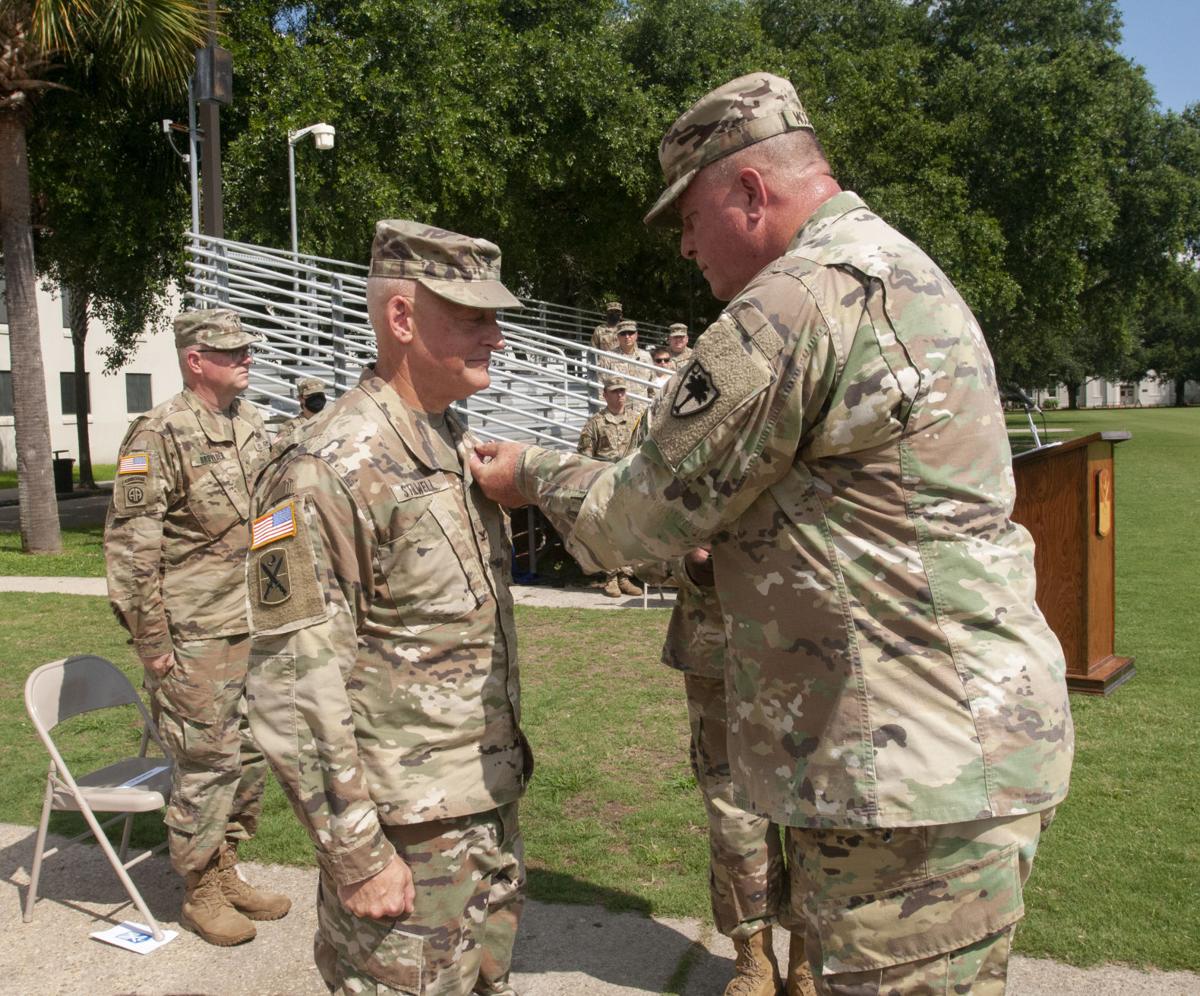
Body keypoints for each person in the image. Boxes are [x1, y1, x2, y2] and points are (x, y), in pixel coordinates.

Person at [471, 72, 1073, 995]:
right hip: (957, 753)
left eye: (689, 217)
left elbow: (639, 515)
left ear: (751, 192)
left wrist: (530, 475)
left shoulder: (796, 301)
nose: (685, 245)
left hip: (903, 781)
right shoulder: (895, 267)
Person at [245, 220, 532, 995]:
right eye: (473, 316)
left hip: (481, 813)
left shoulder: (449, 442)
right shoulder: (322, 468)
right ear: (402, 318)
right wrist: (357, 854)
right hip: (403, 841)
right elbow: (291, 681)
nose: (496, 336)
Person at [104, 308, 290, 946]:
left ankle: (225, 866)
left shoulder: (251, 422)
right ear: (195, 360)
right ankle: (199, 888)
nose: (246, 359)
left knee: (248, 756)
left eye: (246, 350)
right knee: (205, 762)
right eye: (232, 352)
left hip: (252, 623)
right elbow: (133, 550)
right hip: (194, 633)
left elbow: (272, 520)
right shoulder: (158, 433)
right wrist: (152, 642)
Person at [666, 548, 814, 996]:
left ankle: (810, 961)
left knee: (818, 807)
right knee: (732, 812)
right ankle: (754, 962)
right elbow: (639, 535)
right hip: (717, 651)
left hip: (815, 653)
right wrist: (687, 564)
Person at [577, 375, 642, 598]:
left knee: (629, 530)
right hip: (605, 483)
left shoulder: (636, 421)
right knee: (607, 531)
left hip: (629, 482)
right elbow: (584, 457)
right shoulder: (595, 423)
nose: (620, 395)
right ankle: (611, 577)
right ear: (605, 395)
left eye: (622, 391)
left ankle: (625, 576)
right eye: (615, 391)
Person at [271, 376, 327, 453]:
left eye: (319, 395)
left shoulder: (333, 420)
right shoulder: (290, 427)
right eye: (311, 395)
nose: (317, 398)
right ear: (300, 398)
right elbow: (277, 453)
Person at [598, 319, 653, 395]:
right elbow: (600, 385)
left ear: (636, 335)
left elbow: (652, 385)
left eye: (630, 333)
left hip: (642, 402)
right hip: (618, 401)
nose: (627, 336)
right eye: (623, 334)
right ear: (618, 336)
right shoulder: (608, 357)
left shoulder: (646, 356)